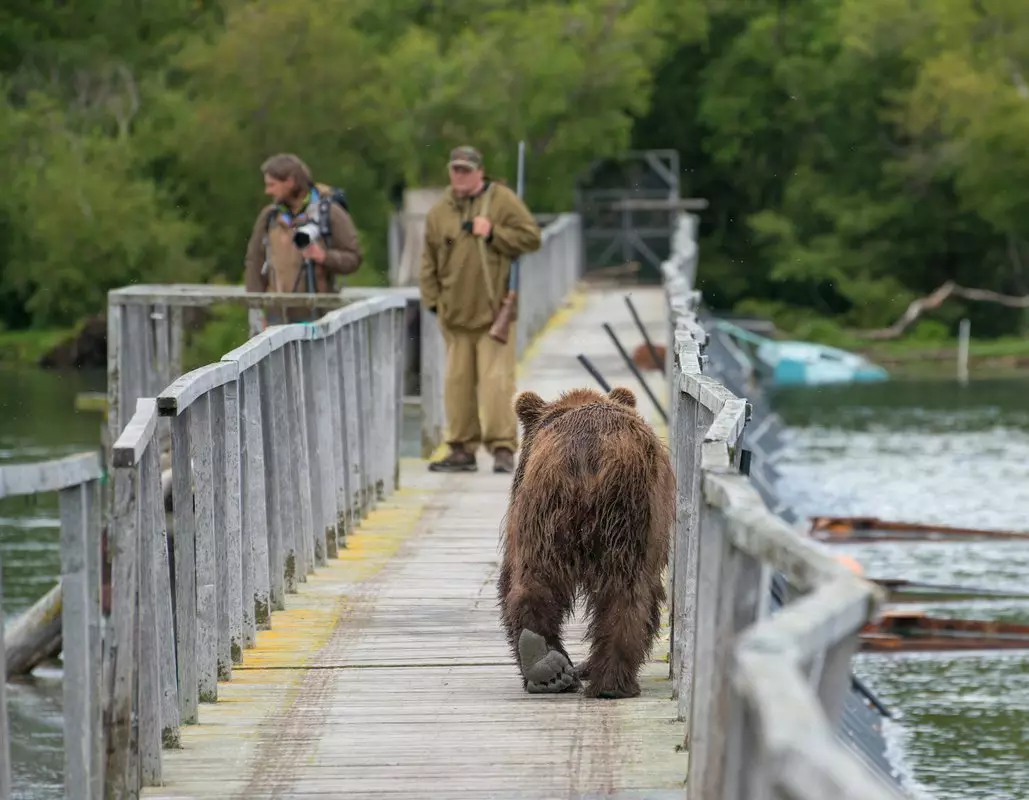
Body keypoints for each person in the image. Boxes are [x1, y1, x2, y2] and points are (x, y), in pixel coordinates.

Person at [419, 145, 542, 474]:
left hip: (493, 316)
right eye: (454, 169)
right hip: (455, 318)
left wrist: (494, 234)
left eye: (465, 169)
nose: (459, 175)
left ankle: (503, 449)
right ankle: (461, 449)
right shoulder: (438, 213)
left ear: (479, 171)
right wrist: (433, 302)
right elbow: (428, 262)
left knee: (496, 385)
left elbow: (531, 238)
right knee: (456, 385)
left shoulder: (501, 199)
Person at [243, 153, 362, 324]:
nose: (267, 191)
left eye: (272, 185)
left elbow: (354, 258)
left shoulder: (330, 213)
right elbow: (254, 262)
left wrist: (324, 257)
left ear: (290, 182)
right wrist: (256, 310)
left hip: (319, 320)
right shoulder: (270, 216)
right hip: (276, 319)